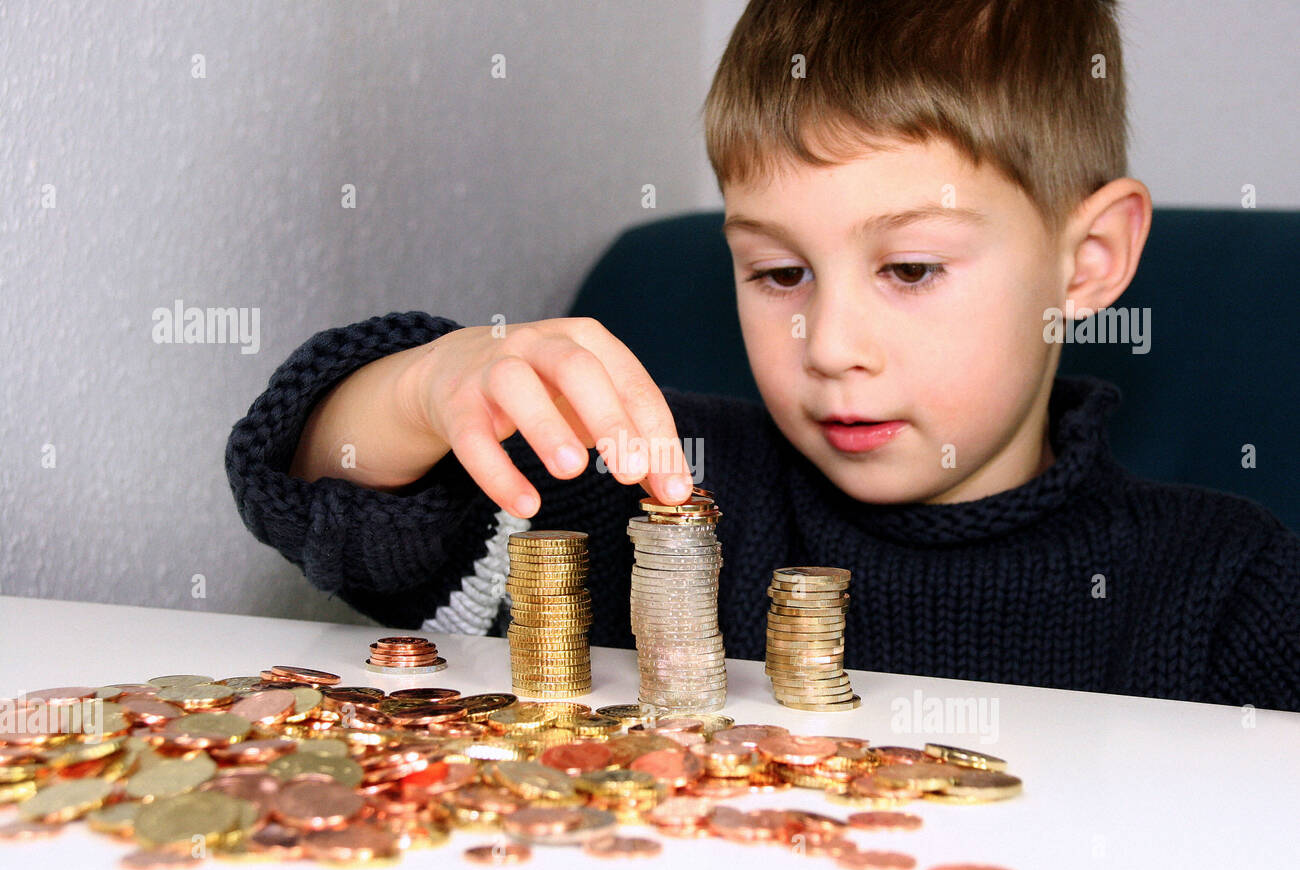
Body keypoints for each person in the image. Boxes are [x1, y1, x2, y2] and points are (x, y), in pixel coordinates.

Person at [225, 0, 1299, 711]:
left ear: (1089, 260)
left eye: (911, 270)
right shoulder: (654, 493)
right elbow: (319, 492)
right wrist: (425, 386)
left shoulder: (1227, 583)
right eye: (779, 274)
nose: (828, 346)